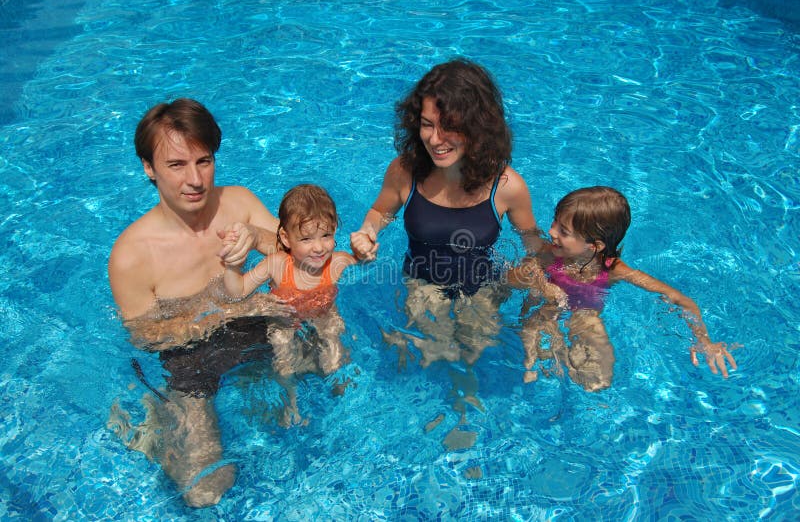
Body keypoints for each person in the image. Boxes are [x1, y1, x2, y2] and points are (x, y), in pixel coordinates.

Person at [107, 98, 284, 507]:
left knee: (334, 369)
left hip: (254, 328)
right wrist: (226, 310)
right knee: (206, 488)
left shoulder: (237, 203)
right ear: (149, 169)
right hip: (191, 361)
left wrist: (257, 237)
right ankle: (155, 434)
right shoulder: (132, 254)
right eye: (176, 165)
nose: (195, 179)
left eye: (203, 161)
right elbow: (146, 337)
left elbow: (307, 257)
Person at [350, 58, 542, 370]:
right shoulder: (404, 172)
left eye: (450, 126)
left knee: (475, 358)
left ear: (477, 126)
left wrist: (539, 282)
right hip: (422, 285)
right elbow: (379, 212)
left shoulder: (507, 186)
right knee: (435, 356)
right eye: (427, 124)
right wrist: (367, 232)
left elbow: (534, 246)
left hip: (484, 287)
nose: (436, 139)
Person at [507, 186, 738, 391]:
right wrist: (537, 280)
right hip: (546, 309)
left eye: (564, 231)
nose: (552, 231)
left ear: (594, 246)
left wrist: (704, 341)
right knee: (533, 361)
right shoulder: (547, 253)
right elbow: (509, 279)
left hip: (584, 316)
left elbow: (681, 300)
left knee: (596, 381)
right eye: (555, 221)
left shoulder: (614, 270)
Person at [221, 184, 356, 380]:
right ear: (286, 238)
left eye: (326, 235)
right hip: (285, 320)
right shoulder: (277, 265)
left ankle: (343, 395)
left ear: (334, 230)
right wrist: (232, 265)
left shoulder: (338, 263)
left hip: (323, 315)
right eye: (306, 239)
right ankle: (290, 403)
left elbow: (366, 266)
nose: (318, 247)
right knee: (284, 364)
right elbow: (238, 292)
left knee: (334, 355)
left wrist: (364, 251)